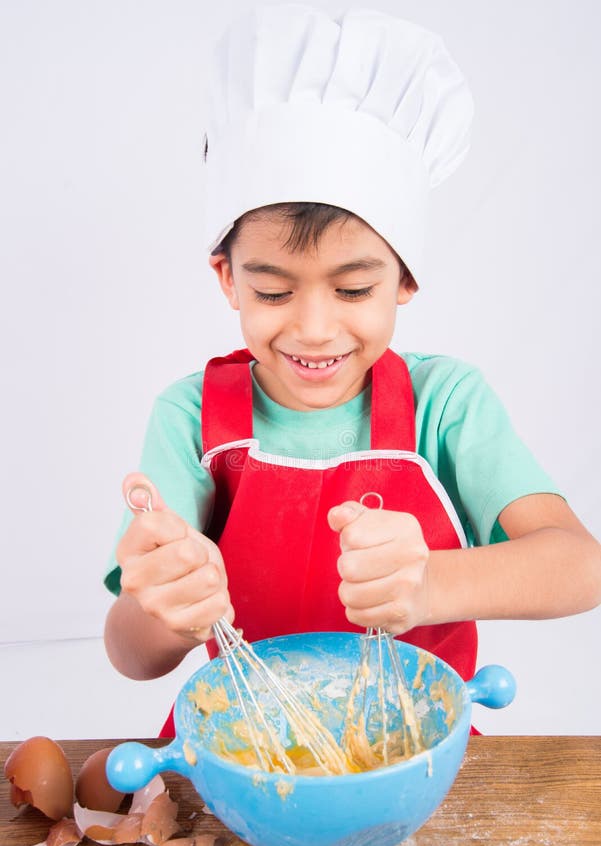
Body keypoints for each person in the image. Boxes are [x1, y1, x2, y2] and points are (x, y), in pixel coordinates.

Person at [103, 5, 601, 738]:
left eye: (353, 289)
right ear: (226, 279)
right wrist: (165, 611)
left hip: (412, 749)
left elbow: (578, 566)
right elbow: (129, 654)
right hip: (248, 751)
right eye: (272, 291)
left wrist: (432, 581)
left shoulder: (442, 403)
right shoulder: (192, 418)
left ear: (404, 280)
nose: (312, 328)